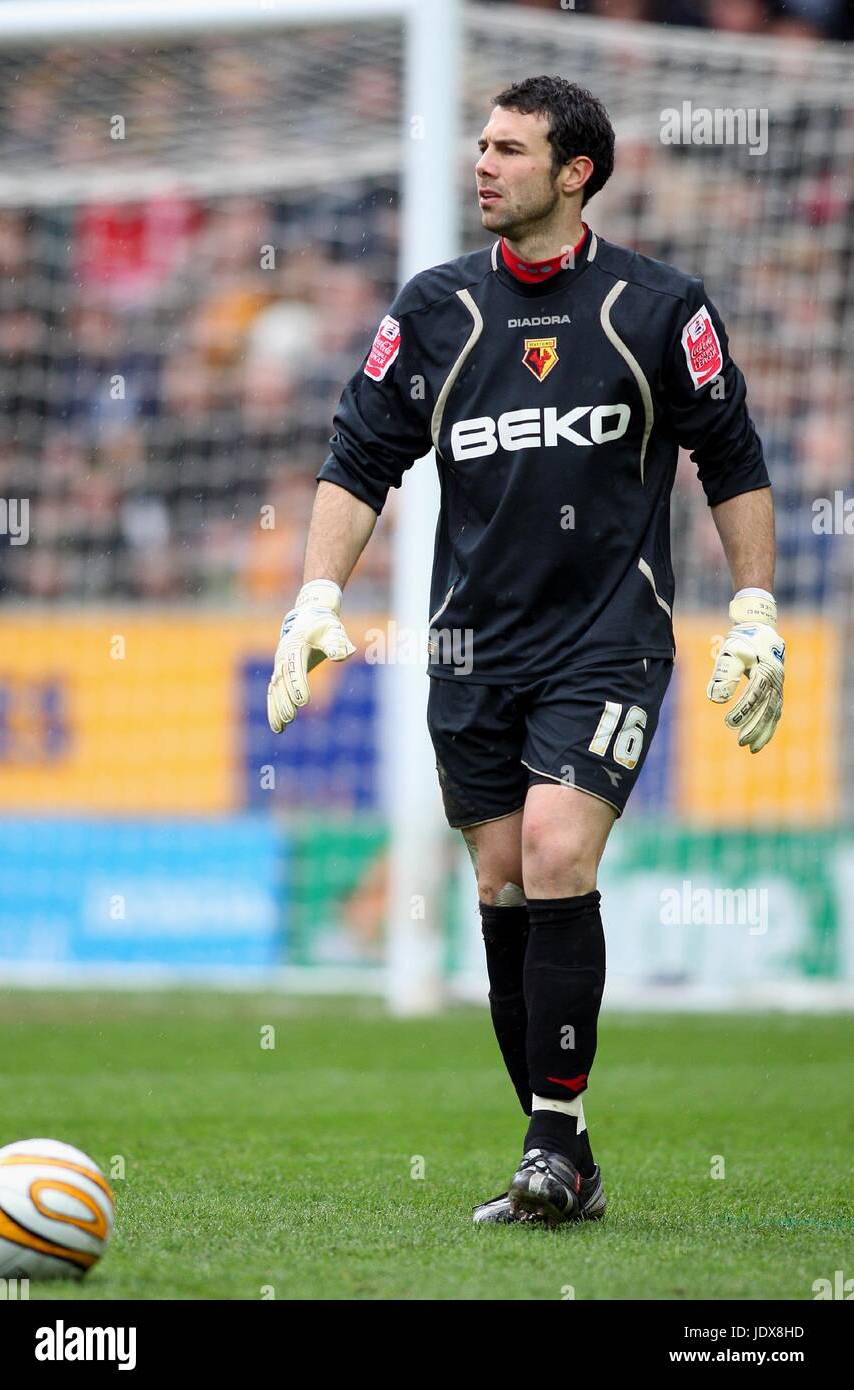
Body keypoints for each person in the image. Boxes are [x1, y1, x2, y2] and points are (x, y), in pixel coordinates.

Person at [266, 76, 785, 1227]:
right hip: (469, 648)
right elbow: (358, 458)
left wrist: (753, 607)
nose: (482, 165)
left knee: (556, 850)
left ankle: (550, 1145)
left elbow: (731, 457)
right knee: (500, 882)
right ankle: (562, 1149)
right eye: (479, 145)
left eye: (509, 148)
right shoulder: (435, 309)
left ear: (575, 172)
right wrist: (313, 596)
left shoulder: (657, 308)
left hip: (606, 641)